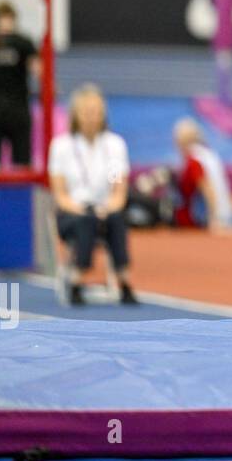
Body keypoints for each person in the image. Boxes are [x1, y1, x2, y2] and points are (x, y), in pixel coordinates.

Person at [48, 84, 137, 305]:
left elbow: (118, 190)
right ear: (76, 114)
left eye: (96, 111)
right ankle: (78, 279)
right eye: (86, 112)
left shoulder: (114, 146)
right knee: (85, 220)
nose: (92, 117)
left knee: (117, 218)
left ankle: (124, 281)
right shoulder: (61, 146)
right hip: (72, 211)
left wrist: (107, 208)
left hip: (105, 209)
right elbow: (60, 194)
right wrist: (81, 209)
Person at [0, 0, 40, 167]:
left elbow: (37, 68)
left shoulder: (23, 43)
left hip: (18, 111)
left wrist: (48, 84)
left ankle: (22, 193)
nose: (6, 22)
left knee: (22, 161)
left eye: (9, 18)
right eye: (2, 18)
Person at [170, 117, 232, 231]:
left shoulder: (194, 161)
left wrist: (215, 217)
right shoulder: (208, 154)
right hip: (222, 212)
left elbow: (207, 188)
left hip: (205, 218)